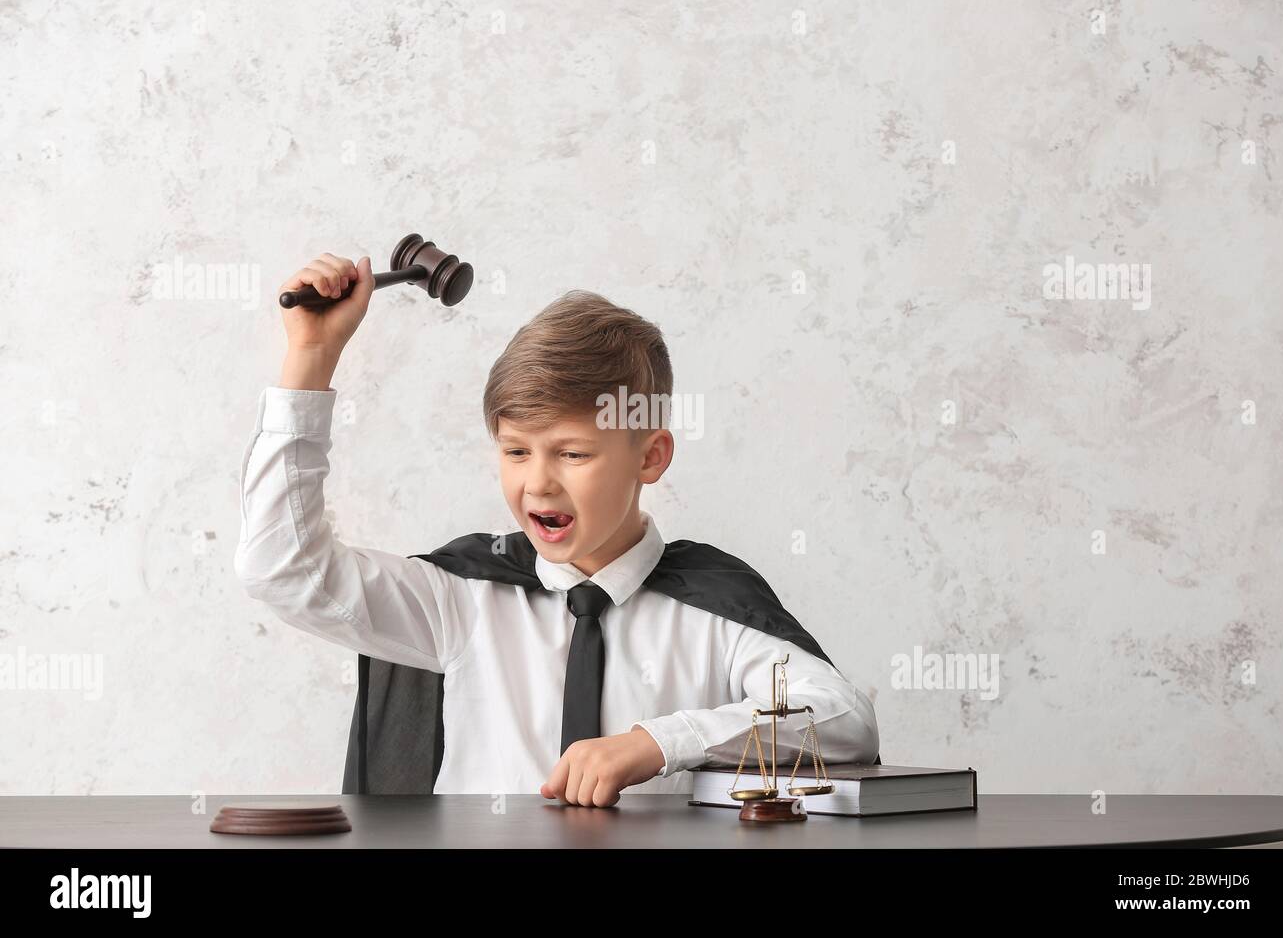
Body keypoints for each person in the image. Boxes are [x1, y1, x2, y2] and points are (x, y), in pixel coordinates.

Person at [234, 252, 880, 807]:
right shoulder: (457, 599)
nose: (538, 483)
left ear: (650, 456)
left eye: (572, 454)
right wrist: (312, 356)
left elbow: (844, 718)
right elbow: (281, 567)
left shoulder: (715, 607)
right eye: (516, 451)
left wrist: (657, 742)